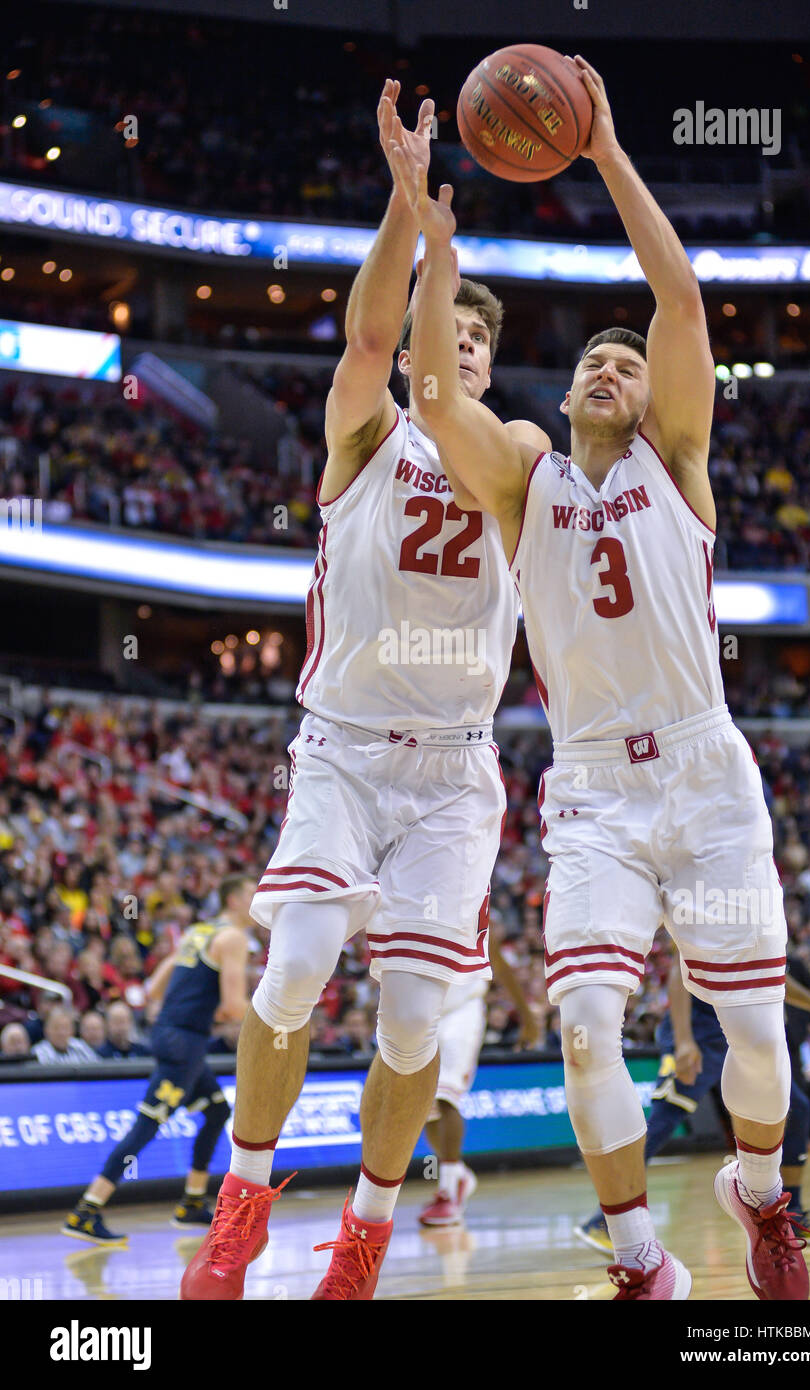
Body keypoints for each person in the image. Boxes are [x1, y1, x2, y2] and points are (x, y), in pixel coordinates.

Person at [393, 54, 810, 1301]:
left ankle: (761, 1193)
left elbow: (678, 301)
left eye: (625, 366)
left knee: (753, 1037)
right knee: (583, 1025)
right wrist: (431, 240)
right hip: (589, 797)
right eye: (595, 361)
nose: (610, 368)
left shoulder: (674, 462)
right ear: (568, 388)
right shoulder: (524, 489)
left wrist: (608, 151)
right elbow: (425, 390)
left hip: (703, 766)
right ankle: (643, 1260)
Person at [180, 80, 549, 1302]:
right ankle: (239, 1206)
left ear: (490, 368)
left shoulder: (519, 462)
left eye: (479, 346)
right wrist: (405, 208)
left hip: (453, 769)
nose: (456, 354)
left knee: (408, 1029)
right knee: (289, 968)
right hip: (340, 747)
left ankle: (368, 1234)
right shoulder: (366, 434)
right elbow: (373, 343)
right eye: (446, 337)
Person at [575, 948, 810, 1253]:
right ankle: (604, 1220)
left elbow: (772, 974)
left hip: (731, 1030)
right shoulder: (709, 908)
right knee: (662, 1122)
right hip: (698, 1033)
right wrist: (683, 1041)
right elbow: (679, 972)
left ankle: (791, 1214)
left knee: (795, 1108)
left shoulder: (754, 916)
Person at [61, 876, 257, 1245]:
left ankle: (191, 1204)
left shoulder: (199, 931)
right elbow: (234, 1007)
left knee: (216, 1112)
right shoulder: (232, 938)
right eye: (252, 892)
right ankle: (86, 1212)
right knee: (147, 1126)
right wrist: (278, 1018)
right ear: (233, 899)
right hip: (184, 1043)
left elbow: (153, 989)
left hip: (178, 1037)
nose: (258, 898)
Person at [420, 921, 538, 1226]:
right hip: (426, 1011)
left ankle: (447, 1190)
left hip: (463, 1010)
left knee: (446, 1098)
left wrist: (527, 1017)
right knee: (425, 1107)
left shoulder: (476, 907)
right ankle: (456, 1174)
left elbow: (499, 966)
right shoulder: (419, 898)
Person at [33, 1005, 99, 1065]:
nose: (61, 1033)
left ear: (72, 1030)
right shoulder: (38, 1053)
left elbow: (98, 1068)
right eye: (56, 1028)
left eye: (65, 1027)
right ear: (46, 1030)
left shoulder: (81, 1047)